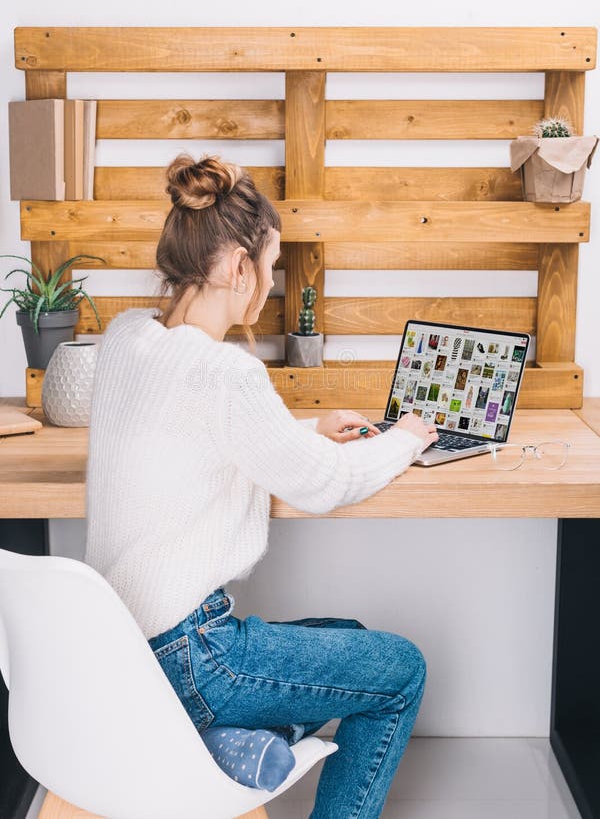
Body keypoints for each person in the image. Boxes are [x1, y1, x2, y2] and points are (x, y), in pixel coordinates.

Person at [84, 153, 439, 818]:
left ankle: (234, 743)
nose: (271, 284)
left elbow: (199, 436)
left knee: (348, 634)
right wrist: (406, 439)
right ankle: (223, 738)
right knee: (399, 671)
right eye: (270, 266)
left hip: (125, 653)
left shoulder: (126, 338)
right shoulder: (225, 375)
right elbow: (326, 485)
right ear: (235, 268)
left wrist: (307, 426)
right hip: (194, 654)